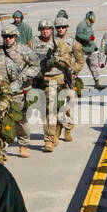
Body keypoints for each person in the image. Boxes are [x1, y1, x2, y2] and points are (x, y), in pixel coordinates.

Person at [34, 16, 85, 151]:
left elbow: (75, 61)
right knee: (48, 109)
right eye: (43, 29)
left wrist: (69, 71)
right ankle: (52, 135)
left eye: (48, 29)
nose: (60, 29)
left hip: (62, 79)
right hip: (43, 81)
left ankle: (63, 130)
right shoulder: (33, 43)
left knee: (64, 108)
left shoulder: (65, 43)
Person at [1, 26, 39, 157]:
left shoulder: (24, 50)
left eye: (10, 37)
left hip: (21, 91)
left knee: (21, 120)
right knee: (3, 120)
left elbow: (36, 66)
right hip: (4, 92)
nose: (8, 39)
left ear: (15, 37)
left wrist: (25, 76)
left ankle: (23, 144)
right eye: (5, 37)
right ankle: (2, 149)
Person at [75, 9, 105, 88]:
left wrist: (94, 46)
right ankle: (71, 81)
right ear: (90, 17)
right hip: (83, 51)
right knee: (78, 67)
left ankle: (97, 82)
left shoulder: (89, 25)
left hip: (90, 50)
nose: (95, 19)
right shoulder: (82, 25)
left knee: (94, 67)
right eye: (94, 18)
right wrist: (88, 38)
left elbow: (91, 38)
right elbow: (78, 35)